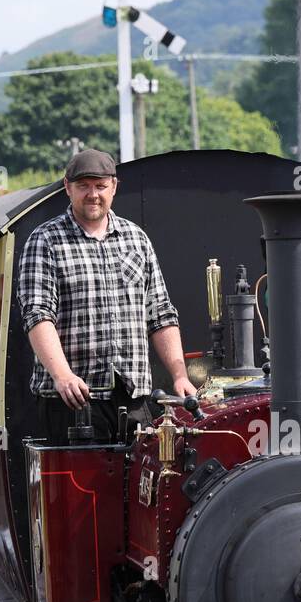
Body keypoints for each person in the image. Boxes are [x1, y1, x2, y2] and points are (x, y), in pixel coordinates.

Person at [20, 148, 195, 443]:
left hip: (133, 396)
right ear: (67, 187)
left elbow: (161, 313)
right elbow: (38, 316)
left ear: (114, 187)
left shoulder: (136, 238)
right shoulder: (45, 240)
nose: (93, 194)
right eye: (83, 186)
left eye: (100, 186)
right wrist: (63, 376)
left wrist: (179, 375)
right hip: (73, 401)